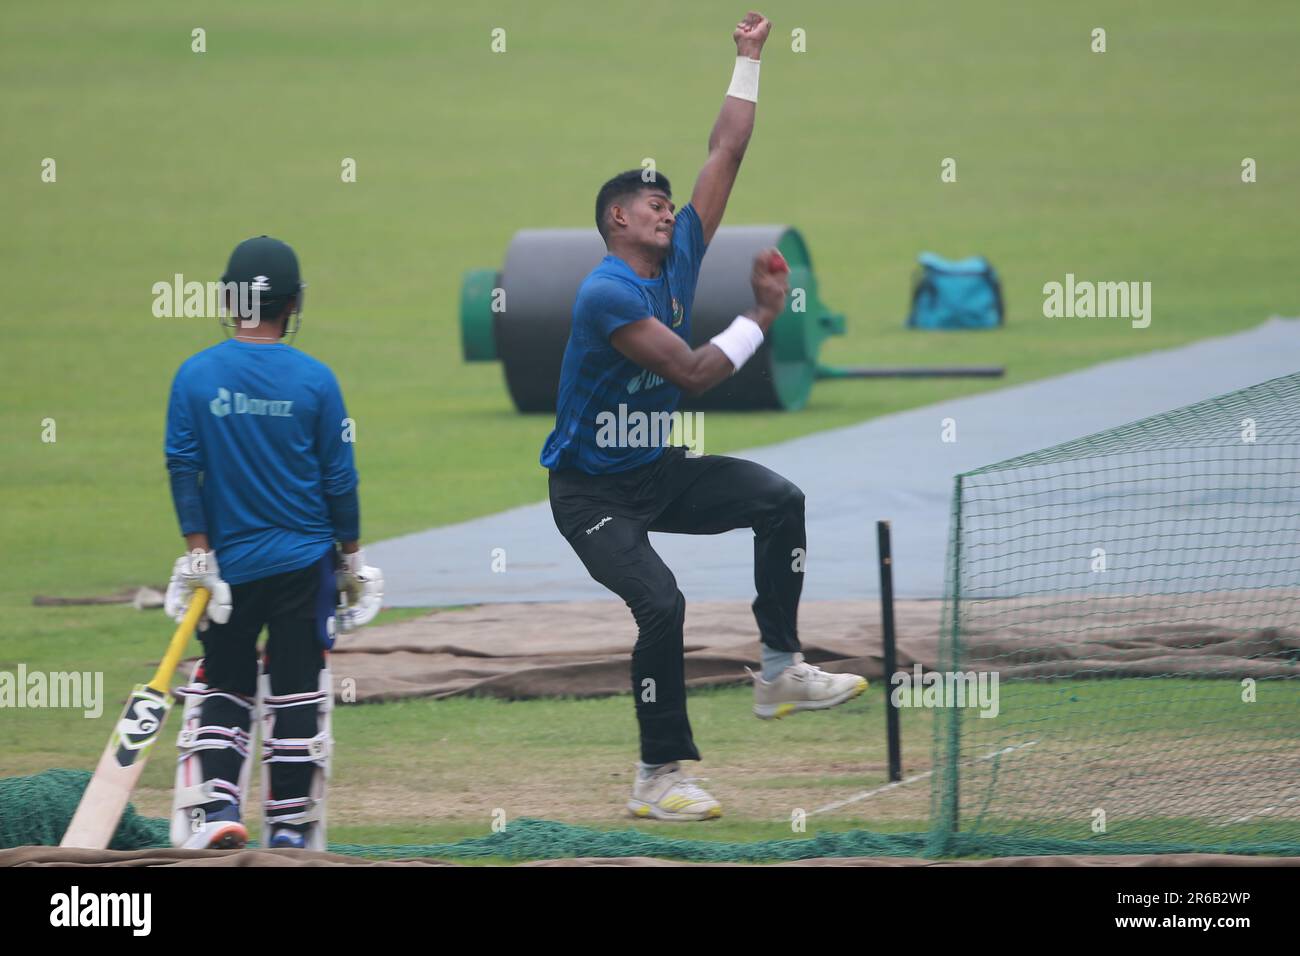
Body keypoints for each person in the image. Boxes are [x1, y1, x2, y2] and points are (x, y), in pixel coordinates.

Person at [540, 12, 867, 822]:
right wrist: (762, 314)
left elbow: (726, 151)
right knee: (661, 603)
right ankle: (658, 777)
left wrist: (748, 59)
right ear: (618, 219)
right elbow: (689, 373)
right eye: (654, 204)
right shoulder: (608, 292)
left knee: (778, 501)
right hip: (591, 497)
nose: (668, 210)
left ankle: (781, 668)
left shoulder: (679, 252)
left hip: (654, 474)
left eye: (669, 204)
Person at [162, 236, 383, 849]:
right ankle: (287, 825)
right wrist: (352, 558)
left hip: (227, 569)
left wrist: (198, 551)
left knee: (225, 683)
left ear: (230, 300)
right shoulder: (315, 380)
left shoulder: (195, 375)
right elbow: (340, 477)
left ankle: (217, 810)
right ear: (292, 305)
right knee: (297, 690)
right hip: (302, 564)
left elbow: (184, 466)